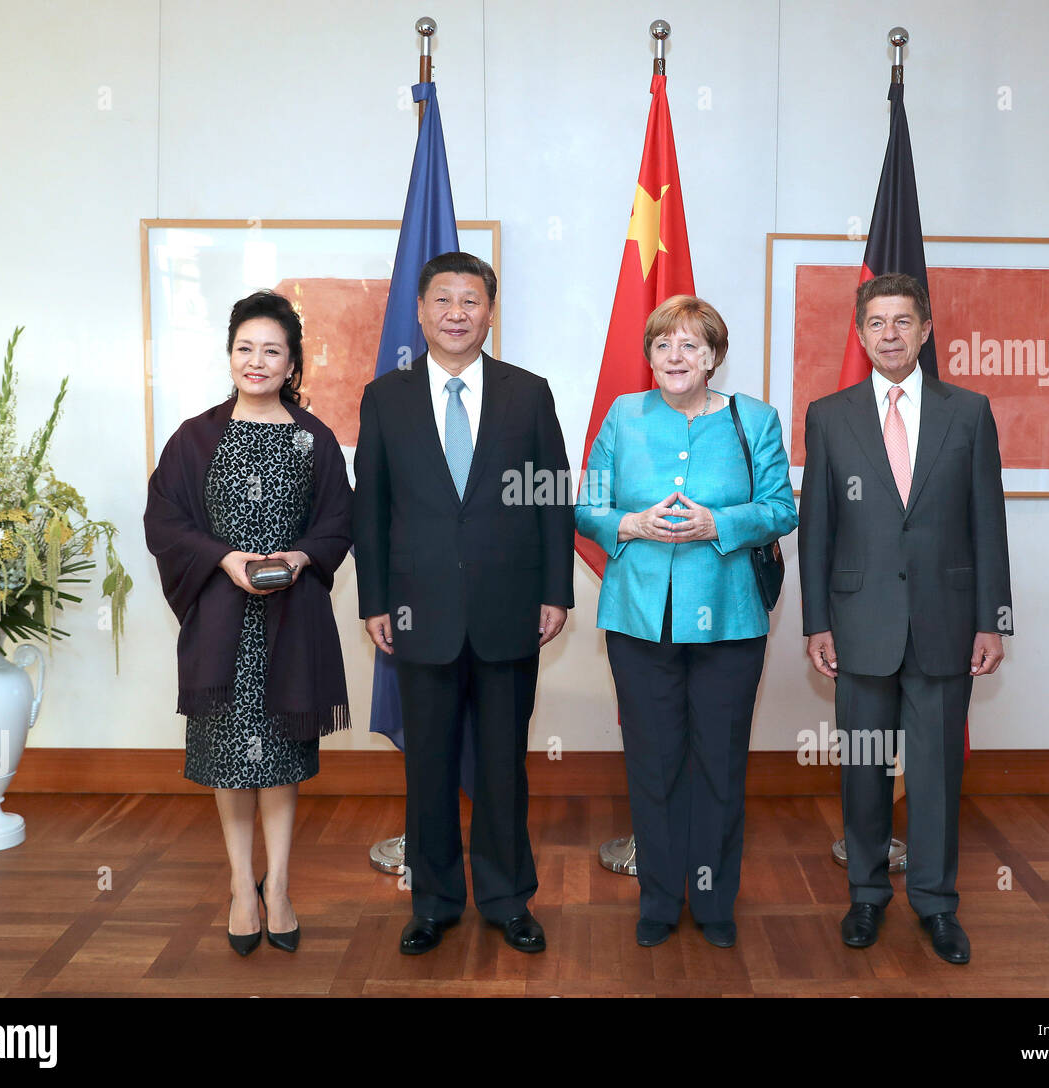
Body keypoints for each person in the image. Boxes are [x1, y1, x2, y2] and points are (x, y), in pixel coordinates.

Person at [353, 251, 574, 956]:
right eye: (443, 300)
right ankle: (434, 901)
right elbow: (372, 509)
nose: (456, 313)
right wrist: (376, 600)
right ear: (420, 311)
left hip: (511, 609)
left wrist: (556, 591)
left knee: (504, 764)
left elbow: (551, 497)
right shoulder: (385, 396)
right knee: (429, 768)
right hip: (417, 613)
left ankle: (509, 899)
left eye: (470, 300)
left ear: (489, 311)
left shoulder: (526, 393)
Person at [798, 272, 1012, 965]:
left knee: (937, 772)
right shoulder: (829, 416)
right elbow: (816, 530)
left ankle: (936, 904)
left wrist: (992, 619)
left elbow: (989, 523)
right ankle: (865, 894)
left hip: (948, 625)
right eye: (877, 323)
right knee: (863, 769)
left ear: (925, 331)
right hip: (859, 626)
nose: (890, 333)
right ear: (860, 335)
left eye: (903, 321)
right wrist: (814, 622)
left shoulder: (969, 411)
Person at [575, 294, 798, 949]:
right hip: (640, 618)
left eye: (690, 345)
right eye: (663, 345)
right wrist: (630, 523)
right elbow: (586, 505)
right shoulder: (624, 414)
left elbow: (781, 507)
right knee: (654, 762)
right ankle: (659, 901)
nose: (675, 356)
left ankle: (714, 899)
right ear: (649, 357)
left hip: (731, 621)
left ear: (714, 358)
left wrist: (720, 524)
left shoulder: (752, 420)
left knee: (720, 763)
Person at [144, 290, 352, 957]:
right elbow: (164, 522)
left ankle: (281, 886)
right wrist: (224, 558)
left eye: (272, 351)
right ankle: (241, 886)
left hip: (291, 623)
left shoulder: (311, 437)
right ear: (229, 354)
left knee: (282, 760)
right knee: (229, 763)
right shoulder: (196, 436)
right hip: (221, 623)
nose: (256, 362)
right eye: (245, 348)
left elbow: (337, 523)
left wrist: (299, 555)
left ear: (292, 364)